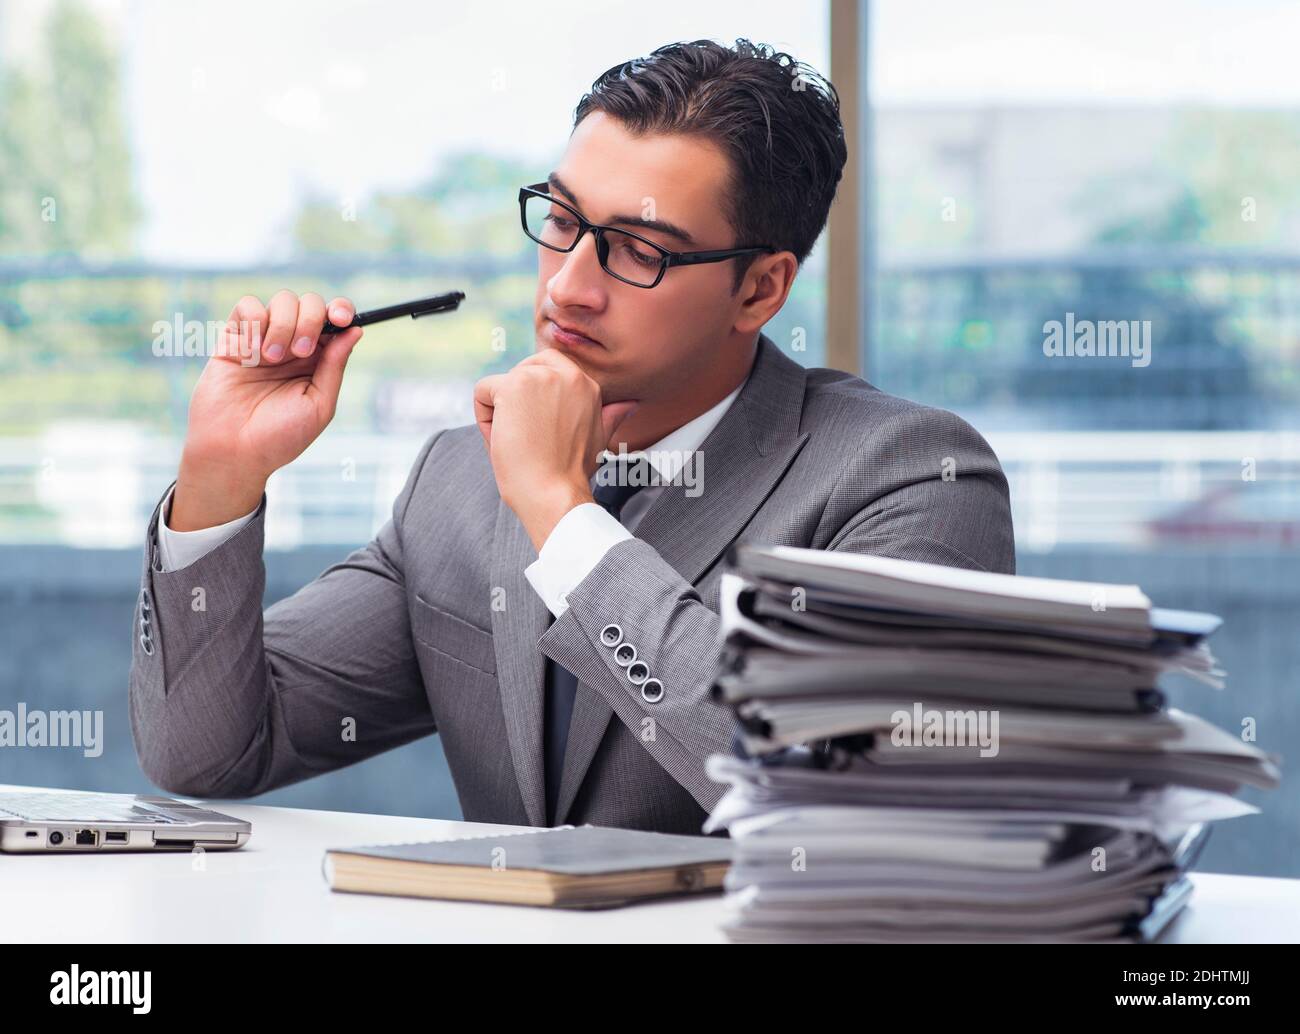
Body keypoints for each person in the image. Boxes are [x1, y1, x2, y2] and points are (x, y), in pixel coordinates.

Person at [129, 39, 1015, 835]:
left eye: (639, 250)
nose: (568, 288)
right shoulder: (458, 479)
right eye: (561, 223)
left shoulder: (912, 479)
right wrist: (221, 478)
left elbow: (852, 779)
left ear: (761, 290)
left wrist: (562, 515)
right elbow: (209, 754)